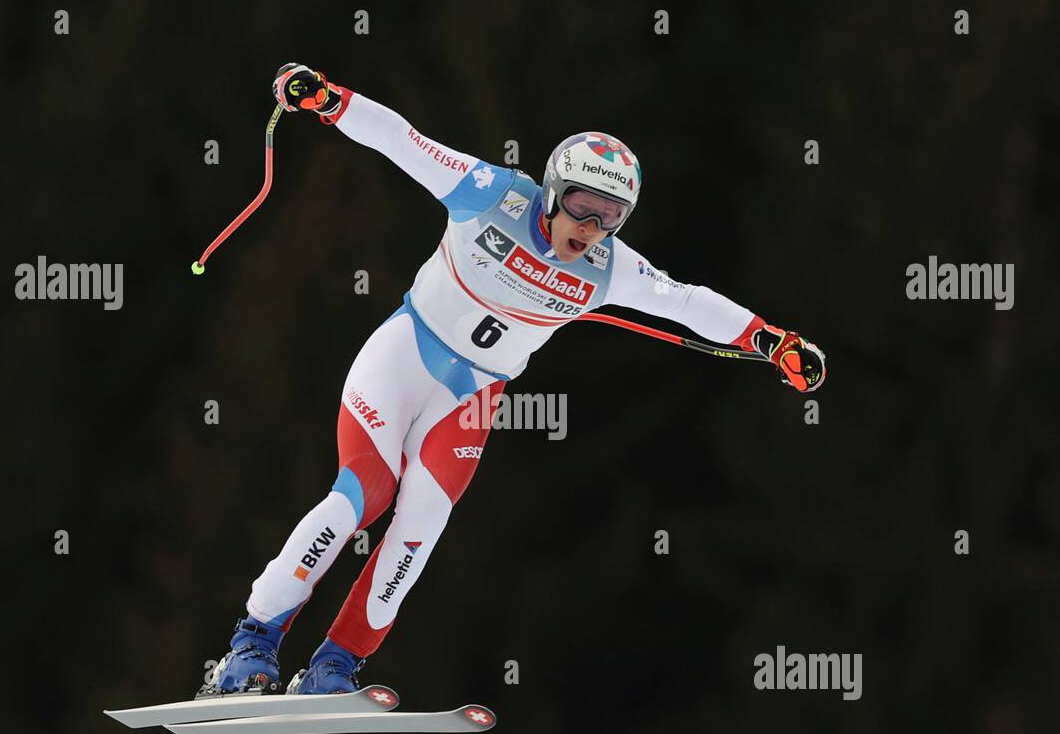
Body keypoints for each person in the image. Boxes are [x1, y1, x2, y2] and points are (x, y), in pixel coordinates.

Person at [198, 63, 827, 698]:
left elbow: (685, 301)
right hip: (404, 356)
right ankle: (251, 645)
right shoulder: (492, 194)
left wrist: (771, 342)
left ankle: (335, 667)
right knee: (363, 494)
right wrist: (330, 100)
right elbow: (402, 140)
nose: (591, 229)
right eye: (581, 207)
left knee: (420, 525)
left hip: (471, 396)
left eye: (610, 216)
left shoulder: (609, 268)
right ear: (553, 192)